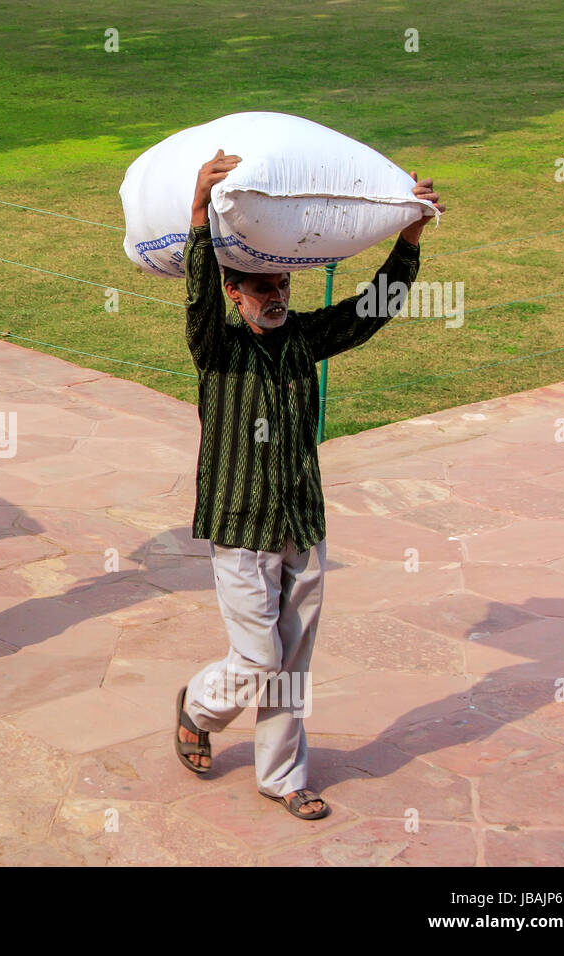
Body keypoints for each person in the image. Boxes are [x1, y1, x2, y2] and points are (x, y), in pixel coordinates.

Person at [175, 149, 444, 819]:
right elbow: (198, 296)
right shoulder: (219, 348)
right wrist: (199, 210)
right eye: (260, 289)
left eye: (281, 286)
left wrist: (408, 239)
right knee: (259, 657)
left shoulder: (303, 339)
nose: (274, 298)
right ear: (236, 296)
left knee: (291, 663)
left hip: (304, 522)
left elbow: (372, 310)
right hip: (240, 526)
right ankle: (199, 706)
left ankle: (284, 777)